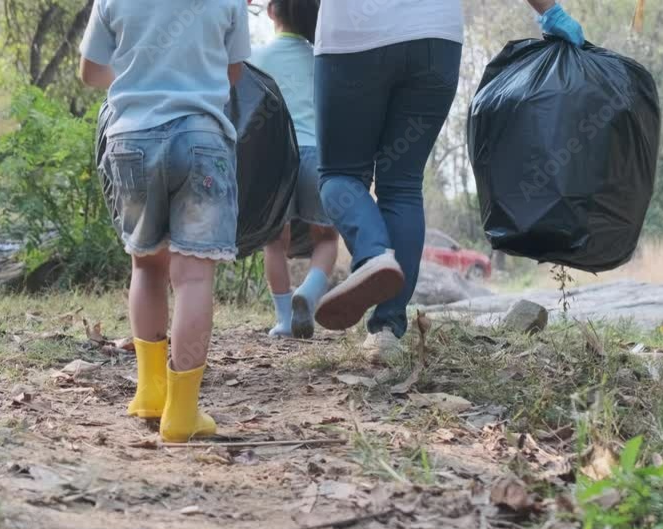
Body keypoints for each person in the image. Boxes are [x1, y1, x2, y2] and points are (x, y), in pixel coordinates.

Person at [312, 0, 584, 362]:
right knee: (402, 185)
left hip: (353, 37)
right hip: (435, 37)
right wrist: (550, 11)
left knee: (341, 173)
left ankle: (373, 254)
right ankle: (387, 331)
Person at [78, 0, 251, 442]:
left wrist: (142, 73)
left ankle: (150, 391)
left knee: (146, 263)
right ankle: (182, 413)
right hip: (201, 137)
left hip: (130, 137)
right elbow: (234, 73)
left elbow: (90, 71)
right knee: (193, 278)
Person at [251, 0, 339, 339]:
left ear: (272, 12)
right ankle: (311, 292)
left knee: (275, 241)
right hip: (317, 152)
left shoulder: (256, 58)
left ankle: (285, 319)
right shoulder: (323, 58)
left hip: (276, 156)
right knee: (327, 237)